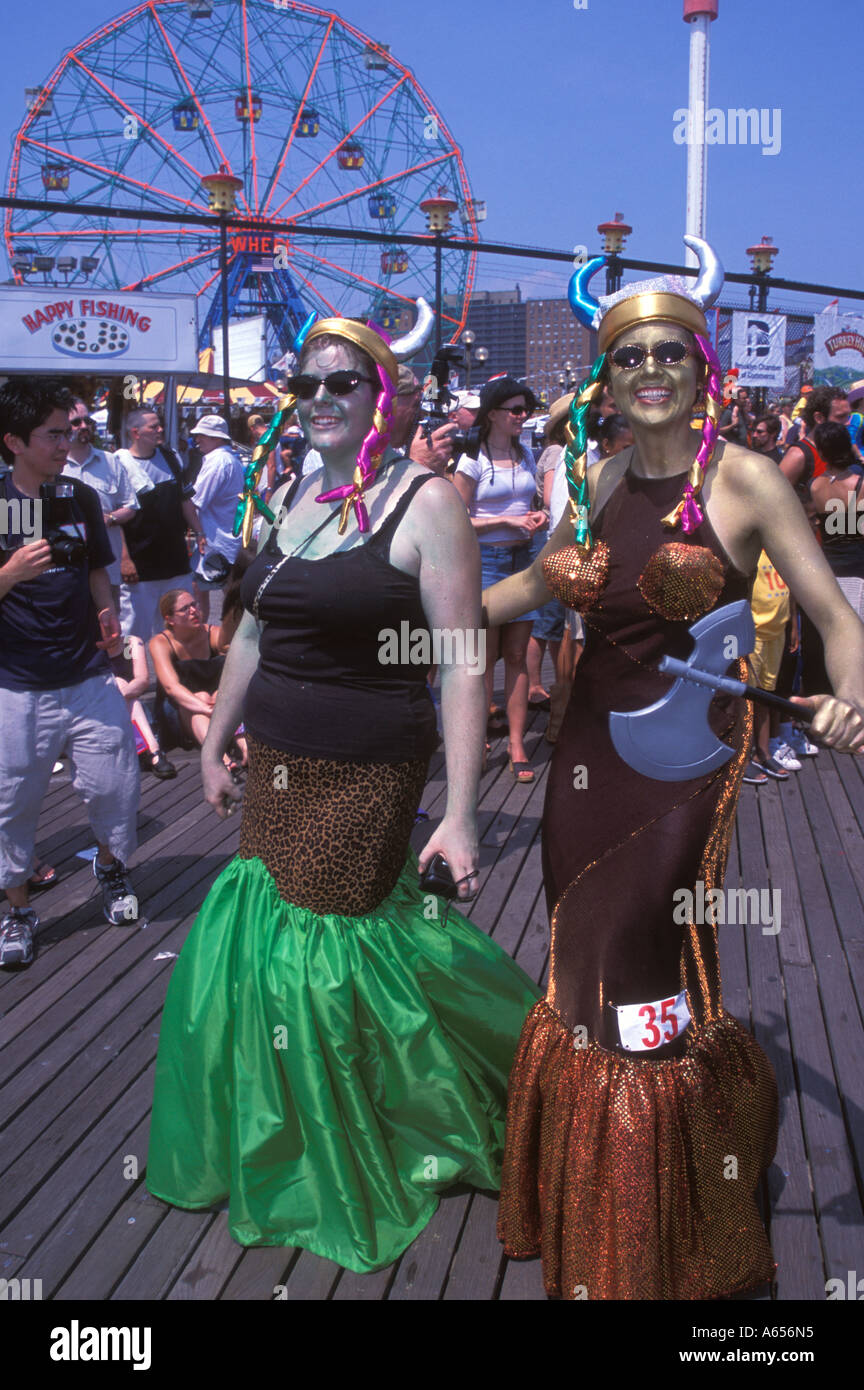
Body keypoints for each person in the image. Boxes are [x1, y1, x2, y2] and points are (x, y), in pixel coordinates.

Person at [486, 240, 864, 1300]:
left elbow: (836, 618)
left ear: (704, 371)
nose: (650, 369)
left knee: (637, 964)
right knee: (585, 977)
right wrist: (416, 604)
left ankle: (651, 1240)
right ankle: (645, 1203)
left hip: (682, 777)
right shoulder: (598, 479)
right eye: (628, 357)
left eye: (671, 353)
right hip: (582, 766)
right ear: (606, 382)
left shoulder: (743, 481)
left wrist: (850, 698)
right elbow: (527, 588)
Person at [146, 312, 539, 1272]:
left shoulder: (429, 500)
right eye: (308, 386)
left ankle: (341, 1146)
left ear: (381, 398)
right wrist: (214, 731)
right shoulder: (284, 496)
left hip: (370, 766)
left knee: (319, 947)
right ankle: (322, 1114)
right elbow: (251, 632)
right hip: (276, 757)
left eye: (343, 384)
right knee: (294, 933)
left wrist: (456, 811)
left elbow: (457, 663)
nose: (322, 400)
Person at [0, 379, 141, 970]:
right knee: (13, 804)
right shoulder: (2, 501)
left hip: (87, 672)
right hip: (17, 682)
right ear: (13, 441)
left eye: (70, 429)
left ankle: (109, 869)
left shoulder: (79, 497)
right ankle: (17, 909)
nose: (67, 441)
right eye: (53, 433)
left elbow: (96, 572)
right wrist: (8, 573)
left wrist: (108, 622)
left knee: (115, 785)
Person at [453, 377, 546, 781]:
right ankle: (476, 741)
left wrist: (536, 518)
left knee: (518, 656)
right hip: (486, 563)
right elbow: (455, 519)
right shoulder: (472, 459)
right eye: (516, 411)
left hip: (523, 560)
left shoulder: (527, 454)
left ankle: (516, 742)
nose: (523, 417)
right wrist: (505, 520)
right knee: (484, 660)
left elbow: (532, 501)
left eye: (526, 411)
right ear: (493, 414)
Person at [115, 408, 204, 640]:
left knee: (180, 630)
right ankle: (130, 676)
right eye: (153, 427)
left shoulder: (170, 457)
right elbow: (114, 520)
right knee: (133, 635)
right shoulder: (119, 464)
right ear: (135, 432)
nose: (160, 430)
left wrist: (200, 531)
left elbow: (185, 500)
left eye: (160, 425)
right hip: (140, 567)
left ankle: (176, 674)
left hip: (175, 563)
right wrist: (124, 560)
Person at [62, 399, 149, 606]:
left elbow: (131, 506)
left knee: (108, 627)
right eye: (76, 422)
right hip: (66, 567)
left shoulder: (110, 462)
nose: (84, 426)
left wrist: (109, 519)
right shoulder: (54, 464)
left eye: (87, 420)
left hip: (106, 566)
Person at [149, 590, 245, 768]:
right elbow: (171, 688)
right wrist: (207, 709)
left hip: (218, 709)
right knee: (200, 696)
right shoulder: (161, 643)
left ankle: (246, 750)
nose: (193, 611)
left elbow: (241, 665)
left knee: (220, 694)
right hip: (179, 712)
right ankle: (220, 759)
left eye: (194, 605)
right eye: (185, 608)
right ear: (170, 619)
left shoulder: (213, 634)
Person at [188, 415, 246, 622]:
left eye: (203, 436)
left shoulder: (218, 462)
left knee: (223, 593)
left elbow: (196, 500)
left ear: (217, 438)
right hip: (224, 537)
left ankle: (219, 640)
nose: (198, 440)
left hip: (217, 539)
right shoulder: (230, 459)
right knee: (220, 592)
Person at [810, 421, 864, 619]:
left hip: (830, 569)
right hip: (858, 568)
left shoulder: (814, 487)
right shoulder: (860, 484)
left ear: (822, 453)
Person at [105, 632, 176, 780]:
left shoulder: (130, 643)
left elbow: (142, 681)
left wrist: (121, 693)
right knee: (118, 682)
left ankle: (151, 750)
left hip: (133, 712)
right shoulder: (89, 651)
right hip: (103, 713)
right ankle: (154, 753)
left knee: (126, 692)